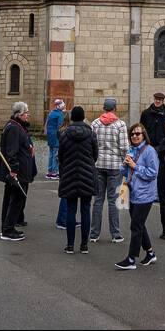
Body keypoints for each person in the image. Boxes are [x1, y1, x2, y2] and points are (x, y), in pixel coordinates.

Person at [115, 122, 159, 270]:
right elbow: (124, 172)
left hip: (145, 195)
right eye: (132, 134)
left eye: (137, 134)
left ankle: (131, 259)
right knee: (139, 224)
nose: (135, 136)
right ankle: (150, 253)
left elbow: (153, 173)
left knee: (135, 226)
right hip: (132, 193)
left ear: (143, 135)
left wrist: (135, 166)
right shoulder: (131, 150)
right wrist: (125, 166)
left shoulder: (150, 151)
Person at [57, 105, 98, 254]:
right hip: (87, 174)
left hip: (70, 174)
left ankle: (69, 245)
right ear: (83, 117)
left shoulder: (64, 134)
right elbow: (95, 155)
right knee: (86, 209)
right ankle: (84, 245)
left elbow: (60, 156)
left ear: (72, 117)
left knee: (71, 209)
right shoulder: (91, 134)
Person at [0, 101, 36, 242]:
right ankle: (7, 229)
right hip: (17, 172)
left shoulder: (16, 127)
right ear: (19, 114)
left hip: (20, 170)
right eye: (26, 113)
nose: (28, 115)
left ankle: (8, 226)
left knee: (13, 199)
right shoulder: (13, 128)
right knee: (16, 200)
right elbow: (12, 152)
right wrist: (14, 170)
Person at [89, 97, 128, 243]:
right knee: (114, 201)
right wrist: (125, 164)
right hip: (114, 166)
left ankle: (94, 234)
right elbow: (124, 147)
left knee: (98, 200)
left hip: (98, 165)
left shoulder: (95, 123)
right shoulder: (120, 124)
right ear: (115, 108)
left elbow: (91, 144)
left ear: (104, 108)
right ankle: (115, 234)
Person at [45, 98, 66, 180]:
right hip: (56, 136)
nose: (64, 106)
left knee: (51, 154)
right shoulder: (59, 114)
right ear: (59, 106)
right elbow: (60, 127)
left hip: (50, 135)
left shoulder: (51, 113)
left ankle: (49, 171)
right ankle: (54, 172)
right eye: (63, 105)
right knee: (56, 154)